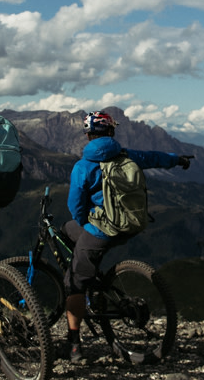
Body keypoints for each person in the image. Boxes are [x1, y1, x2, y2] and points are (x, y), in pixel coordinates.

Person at [61, 111, 191, 362]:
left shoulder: (83, 166)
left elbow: (75, 206)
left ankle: (74, 344)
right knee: (72, 234)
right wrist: (178, 160)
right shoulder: (126, 156)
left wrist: (88, 225)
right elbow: (153, 157)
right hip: (130, 225)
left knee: (74, 282)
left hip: (101, 231)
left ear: (88, 135)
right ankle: (94, 278)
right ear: (111, 132)